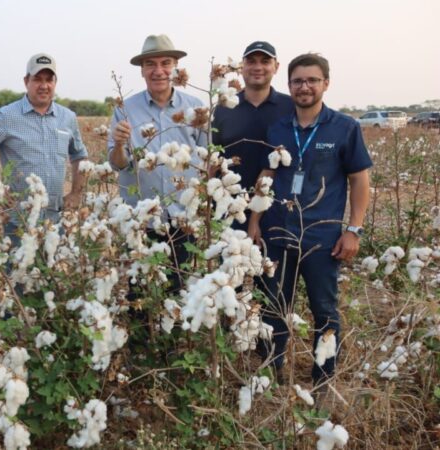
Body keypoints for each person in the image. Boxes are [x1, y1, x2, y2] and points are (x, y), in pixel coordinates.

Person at [248, 53, 372, 386]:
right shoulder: (277, 128)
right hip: (277, 233)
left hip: (322, 238)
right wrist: (255, 219)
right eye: (298, 81)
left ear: (325, 84)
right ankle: (270, 376)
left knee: (325, 311)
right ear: (289, 86)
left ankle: (323, 378)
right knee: (273, 308)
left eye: (312, 80)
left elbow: (359, 181)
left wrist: (353, 230)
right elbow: (267, 174)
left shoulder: (345, 128)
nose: (305, 87)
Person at [109, 34, 206, 292]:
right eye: (151, 64)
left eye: (165, 63)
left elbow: (208, 162)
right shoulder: (124, 109)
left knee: (179, 292)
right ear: (142, 70)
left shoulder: (196, 108)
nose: (159, 71)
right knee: (140, 294)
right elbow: (118, 165)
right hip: (140, 221)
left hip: (183, 221)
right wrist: (119, 144)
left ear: (175, 67)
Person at [0, 53, 88, 235]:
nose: (44, 86)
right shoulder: (6, 116)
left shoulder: (67, 117)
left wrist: (76, 193)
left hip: (57, 221)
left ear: (55, 82)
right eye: (37, 79)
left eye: (49, 80)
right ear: (26, 81)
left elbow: (79, 156)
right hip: (18, 221)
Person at [212, 41, 294, 231]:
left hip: (278, 211)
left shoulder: (290, 107)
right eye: (251, 61)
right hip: (231, 210)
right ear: (242, 66)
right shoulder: (225, 106)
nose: (258, 67)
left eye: (265, 61)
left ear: (276, 67)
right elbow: (214, 158)